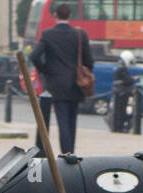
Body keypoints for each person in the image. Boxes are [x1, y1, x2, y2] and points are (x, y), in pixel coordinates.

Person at [29, 2, 92, 155]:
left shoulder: (48, 34)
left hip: (56, 83)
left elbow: (34, 56)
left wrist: (46, 70)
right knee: (72, 120)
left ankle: (66, 153)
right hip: (76, 83)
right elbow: (89, 61)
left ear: (55, 15)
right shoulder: (80, 34)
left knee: (62, 120)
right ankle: (71, 151)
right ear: (70, 16)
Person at [111, 51, 135, 133]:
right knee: (122, 111)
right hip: (122, 93)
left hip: (118, 92)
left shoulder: (118, 67)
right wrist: (133, 79)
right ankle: (120, 127)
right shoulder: (122, 68)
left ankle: (117, 127)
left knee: (118, 111)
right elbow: (127, 80)